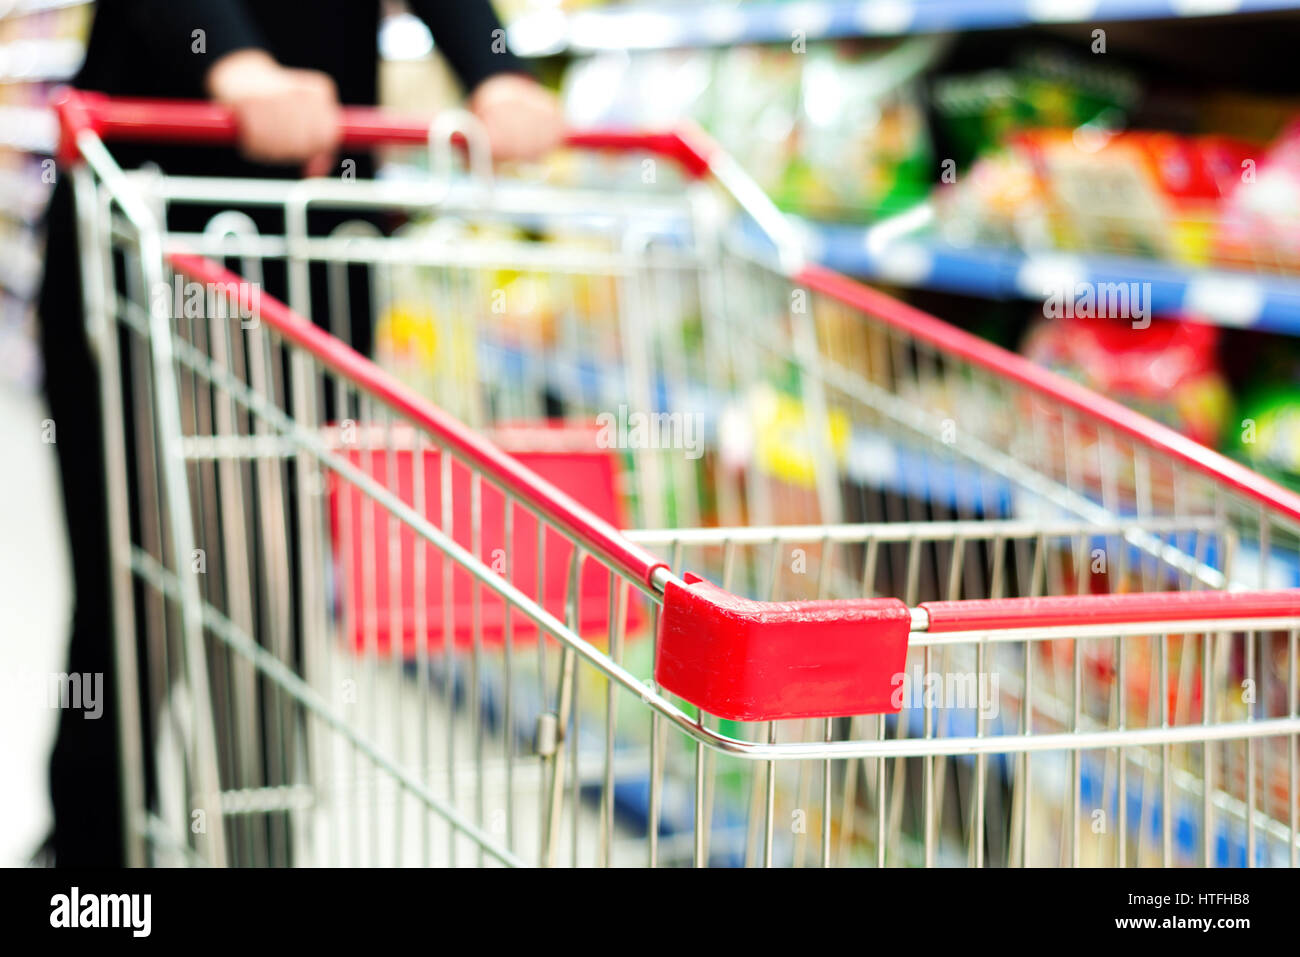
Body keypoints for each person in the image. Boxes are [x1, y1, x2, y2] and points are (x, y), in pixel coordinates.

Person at [38, 0, 564, 867]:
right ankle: (93, 864)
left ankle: (238, 842)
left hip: (305, 257)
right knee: (128, 608)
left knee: (265, 617)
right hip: (146, 240)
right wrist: (237, 65)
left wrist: (497, 67)